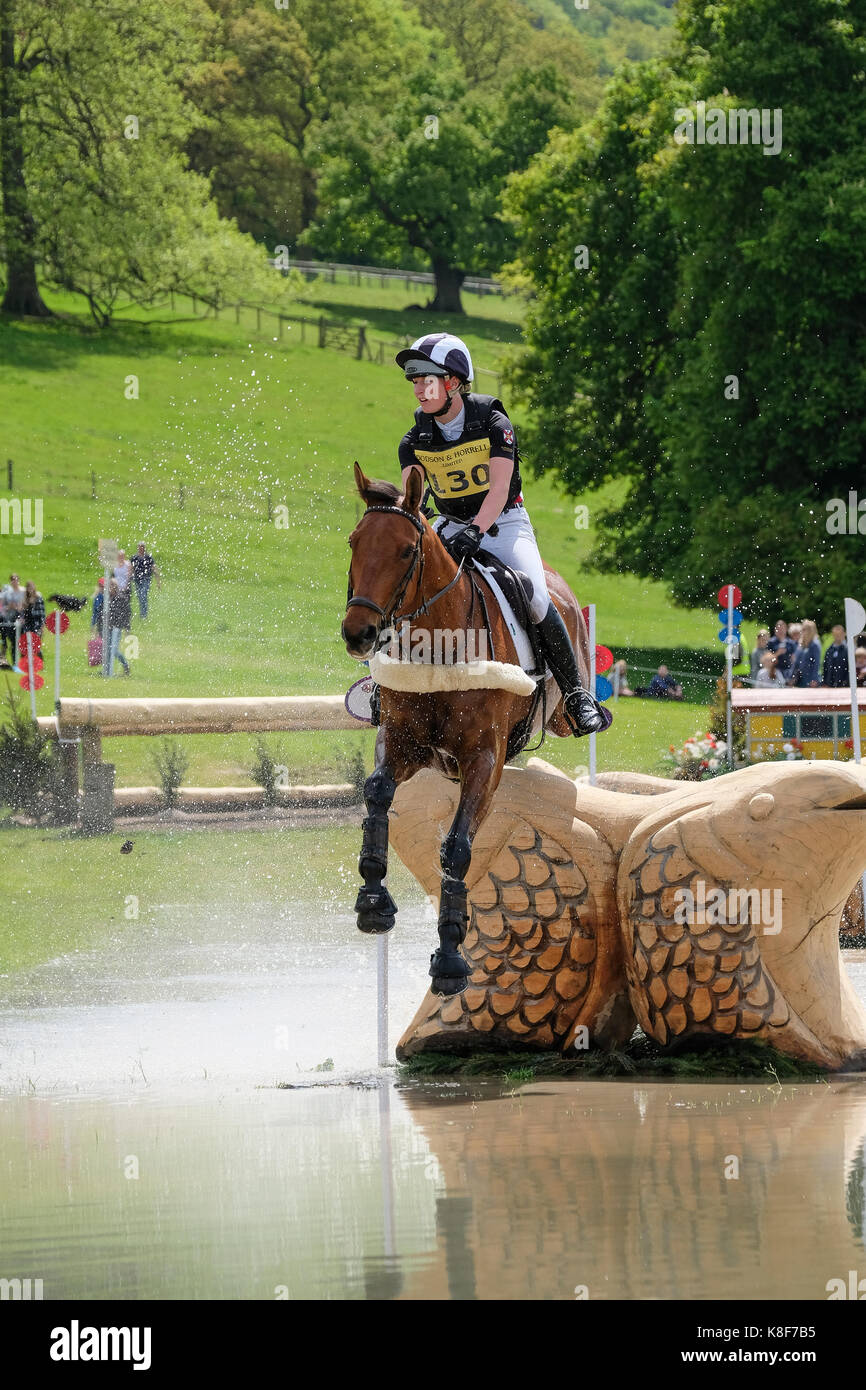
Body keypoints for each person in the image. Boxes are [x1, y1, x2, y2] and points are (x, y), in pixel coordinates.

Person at [395, 333, 608, 737]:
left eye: (427, 379)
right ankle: (384, 683)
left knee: (536, 596)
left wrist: (475, 531)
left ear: (454, 382)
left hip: (503, 523)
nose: (419, 389)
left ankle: (577, 694)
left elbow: (498, 489)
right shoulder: (413, 440)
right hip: (449, 525)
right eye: (415, 381)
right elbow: (416, 499)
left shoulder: (494, 423)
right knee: (405, 580)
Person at [107, 578, 131, 676]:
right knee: (107, 650)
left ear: (115, 587)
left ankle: (125, 664)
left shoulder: (121, 598)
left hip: (117, 627)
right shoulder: (108, 598)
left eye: (111, 586)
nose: (109, 588)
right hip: (109, 627)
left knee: (114, 650)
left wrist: (127, 628)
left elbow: (127, 613)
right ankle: (107, 671)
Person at [787, 619, 821, 688]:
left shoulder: (815, 645)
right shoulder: (801, 644)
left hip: (810, 679)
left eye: (804, 629)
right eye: (802, 629)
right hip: (800, 679)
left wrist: (814, 679)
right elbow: (796, 662)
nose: (802, 631)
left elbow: (816, 663)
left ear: (811, 631)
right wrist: (792, 677)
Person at [0, 573, 24, 668]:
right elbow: (1, 608)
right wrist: (8, 607)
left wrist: (20, 608)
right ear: (11, 581)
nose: (15, 581)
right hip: (10, 621)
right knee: (13, 642)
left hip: (22, 622)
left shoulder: (23, 592)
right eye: (13, 580)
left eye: (16, 579)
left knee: (23, 643)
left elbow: (27, 605)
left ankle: (24, 664)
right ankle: (15, 663)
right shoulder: (7, 593)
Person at [131, 542, 159, 620]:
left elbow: (154, 569)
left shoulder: (148, 557)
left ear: (144, 548)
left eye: (142, 547)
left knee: (143, 595)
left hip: (146, 579)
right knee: (140, 596)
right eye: (140, 547)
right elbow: (131, 569)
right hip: (137, 579)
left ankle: (144, 615)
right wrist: (128, 579)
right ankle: (142, 613)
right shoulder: (134, 557)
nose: (141, 548)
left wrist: (158, 582)